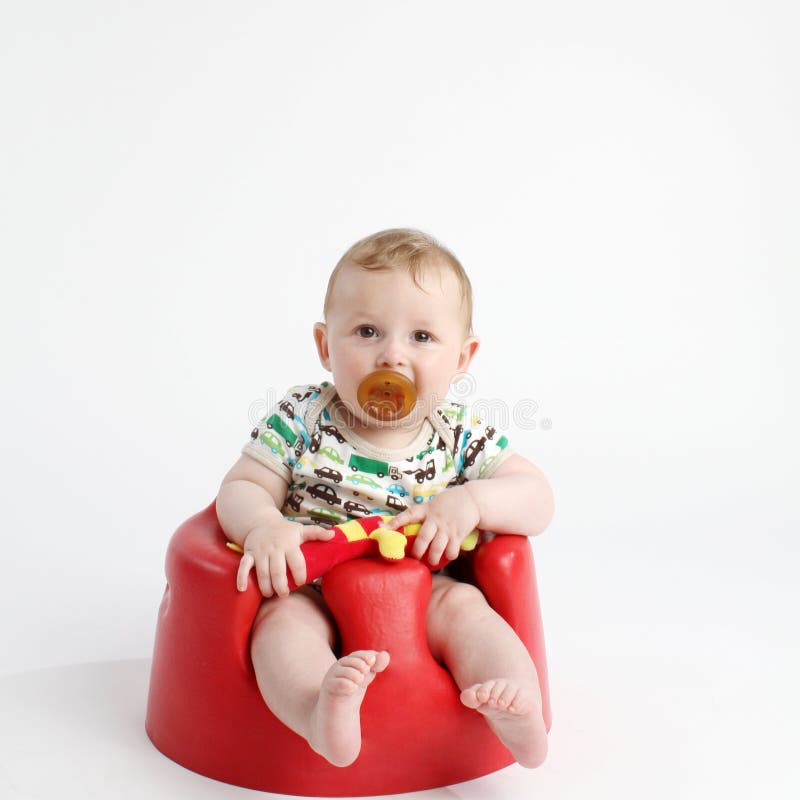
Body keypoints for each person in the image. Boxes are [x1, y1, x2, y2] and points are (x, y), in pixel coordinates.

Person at [215, 228, 555, 769]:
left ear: (462, 357)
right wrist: (262, 525)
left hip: (427, 589)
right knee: (280, 628)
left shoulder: (458, 432)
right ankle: (317, 712)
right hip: (313, 588)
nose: (391, 356)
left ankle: (517, 707)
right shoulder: (303, 417)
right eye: (367, 331)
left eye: (421, 337)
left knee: (470, 613)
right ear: (326, 346)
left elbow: (538, 498)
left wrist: (471, 503)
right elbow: (241, 487)